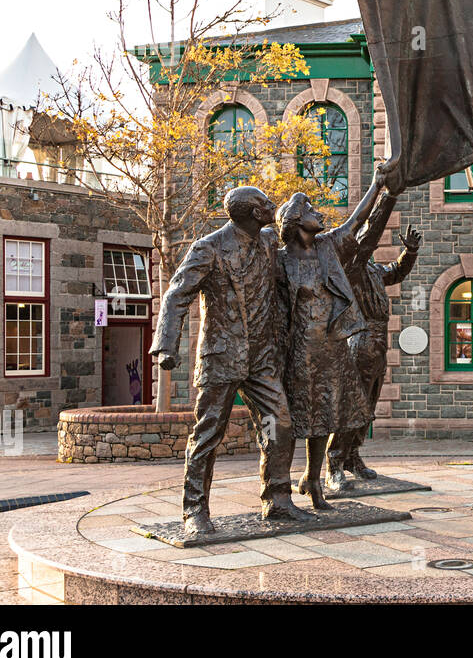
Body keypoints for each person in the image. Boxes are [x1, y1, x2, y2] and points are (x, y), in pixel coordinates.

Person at [150, 186, 307, 538]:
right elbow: (177, 294)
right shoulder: (208, 248)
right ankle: (195, 510)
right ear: (254, 213)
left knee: (277, 424)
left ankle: (277, 499)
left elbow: (293, 230)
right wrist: (166, 345)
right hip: (221, 357)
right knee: (208, 435)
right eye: (267, 204)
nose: (272, 207)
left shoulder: (267, 241)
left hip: (261, 359)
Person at [275, 169, 385, 509]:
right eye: (310, 209)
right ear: (296, 221)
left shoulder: (327, 247)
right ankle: (279, 487)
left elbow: (356, 222)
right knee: (294, 418)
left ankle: (314, 477)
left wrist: (378, 184)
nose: (318, 212)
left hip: (332, 346)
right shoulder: (280, 260)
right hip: (298, 350)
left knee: (326, 415)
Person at [324, 188, 420, 489]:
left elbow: (397, 272)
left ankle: (353, 456)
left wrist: (410, 252)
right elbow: (368, 238)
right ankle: (334, 463)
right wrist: (388, 195)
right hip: (359, 341)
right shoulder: (349, 269)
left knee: (368, 407)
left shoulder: (374, 270)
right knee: (352, 405)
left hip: (378, 343)